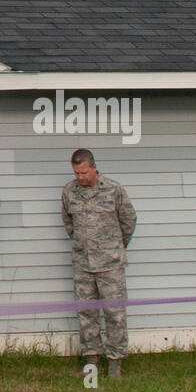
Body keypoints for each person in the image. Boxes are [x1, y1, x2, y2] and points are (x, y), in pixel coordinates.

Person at [61, 148, 137, 378]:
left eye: (84, 172)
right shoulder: (69, 191)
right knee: (87, 314)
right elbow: (68, 222)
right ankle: (91, 362)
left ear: (94, 167)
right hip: (83, 264)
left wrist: (113, 247)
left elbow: (129, 221)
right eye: (76, 173)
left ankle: (115, 363)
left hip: (110, 264)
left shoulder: (114, 189)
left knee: (115, 314)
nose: (80, 177)